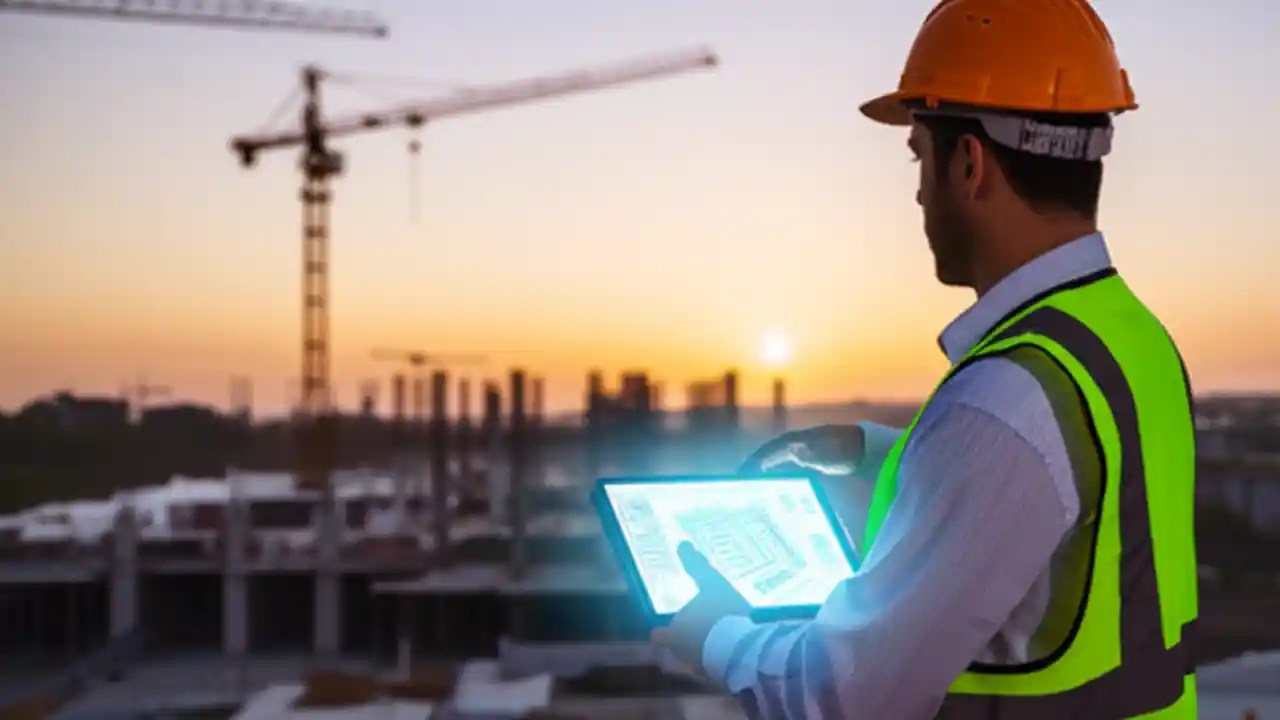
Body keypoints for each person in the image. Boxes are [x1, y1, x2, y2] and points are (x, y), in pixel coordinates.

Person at [650, 0, 1199, 717]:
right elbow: (1050, 498)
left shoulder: (1004, 401)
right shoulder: (1129, 339)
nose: (916, 189)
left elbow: (844, 695)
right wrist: (878, 453)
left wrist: (715, 637)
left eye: (919, 154)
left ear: (968, 163)